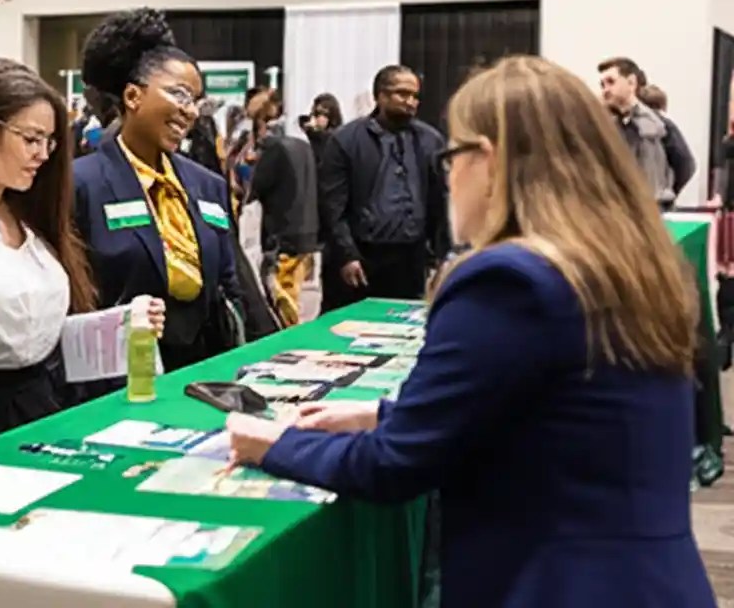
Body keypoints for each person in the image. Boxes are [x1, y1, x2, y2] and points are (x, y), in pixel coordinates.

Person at [227, 56, 716, 608]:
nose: (447, 174)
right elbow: (552, 417)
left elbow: (394, 465)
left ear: (486, 160)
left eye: (451, 156)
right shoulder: (629, 266)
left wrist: (276, 444)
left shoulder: (507, 282)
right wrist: (380, 415)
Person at [0, 58, 163, 438]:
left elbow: (37, 332)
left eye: (49, 142)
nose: (43, 154)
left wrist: (118, 325)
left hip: (46, 404)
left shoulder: (26, 213)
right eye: (31, 139)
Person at [73, 8, 244, 371]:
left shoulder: (207, 186)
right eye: (181, 95)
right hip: (121, 374)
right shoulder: (81, 184)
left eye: (197, 101)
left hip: (204, 367)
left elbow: (230, 285)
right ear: (133, 97)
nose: (192, 112)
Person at [319, 65, 447, 311]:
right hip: (362, 258)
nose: (410, 102)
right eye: (402, 94)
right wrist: (347, 255)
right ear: (379, 95)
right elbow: (332, 207)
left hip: (410, 260)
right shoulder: (346, 141)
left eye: (415, 96)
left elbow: (440, 202)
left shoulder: (430, 141)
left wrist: (442, 256)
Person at [598, 56, 694, 209]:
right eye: (602, 84)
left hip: (653, 211)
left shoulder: (660, 125)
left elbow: (685, 164)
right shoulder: (608, 128)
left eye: (611, 82)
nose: (605, 90)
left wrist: (665, 194)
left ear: (631, 82)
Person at [247, 116, 317, 325]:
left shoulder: (275, 150)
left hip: (282, 234)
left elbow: (258, 186)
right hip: (307, 231)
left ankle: (288, 343)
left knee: (281, 298)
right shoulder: (305, 146)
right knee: (295, 293)